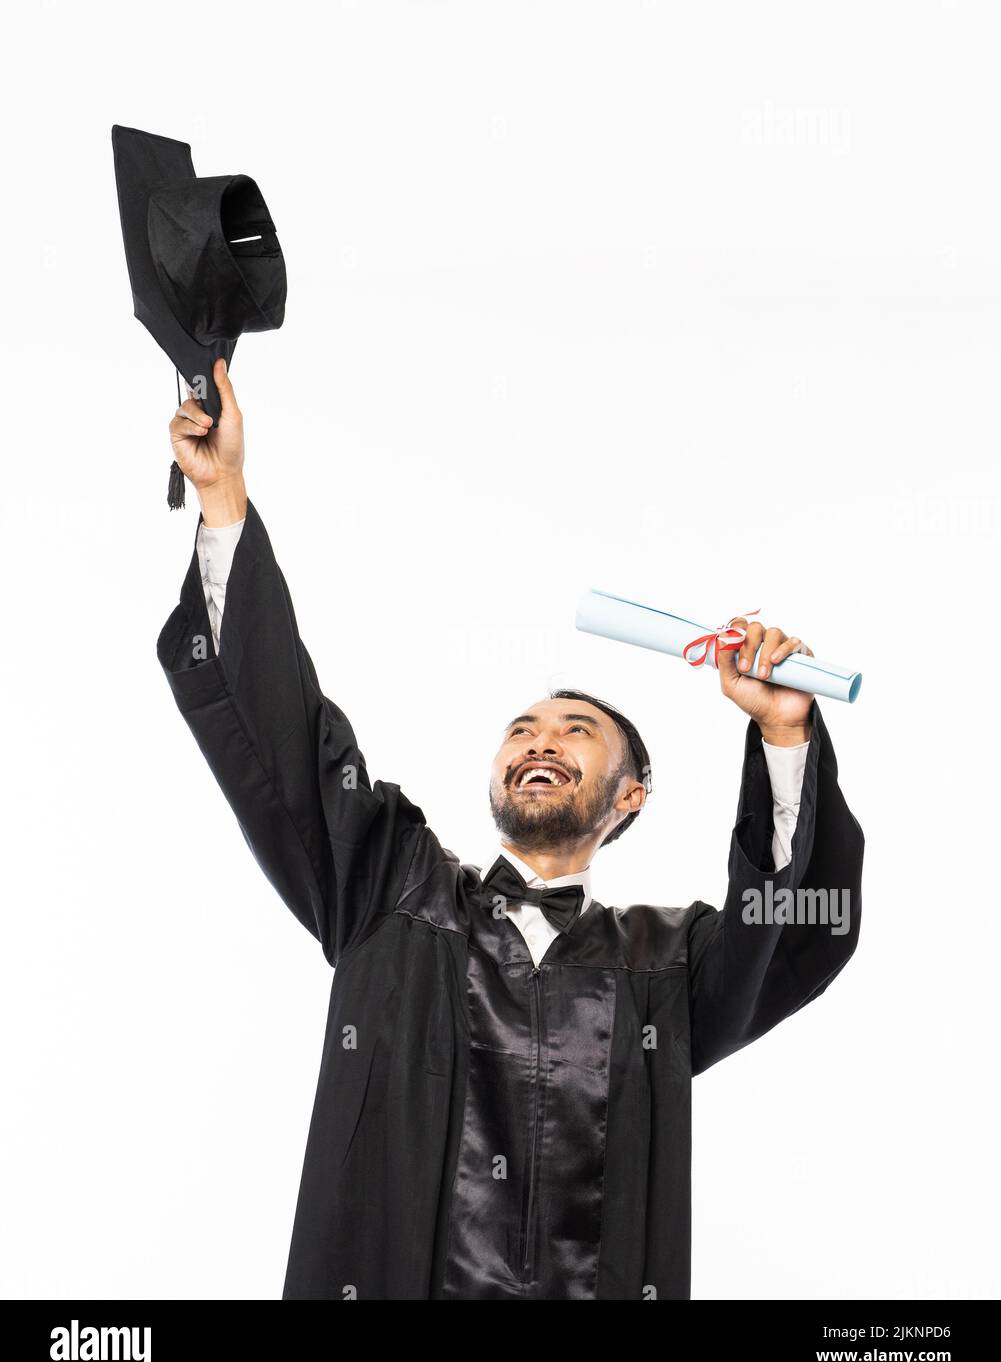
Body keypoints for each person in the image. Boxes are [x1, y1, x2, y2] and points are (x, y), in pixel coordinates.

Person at [158, 358, 864, 1300]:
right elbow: (288, 736)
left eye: (578, 734)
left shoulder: (666, 969)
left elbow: (801, 924)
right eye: (522, 731)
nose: (541, 743)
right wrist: (225, 501)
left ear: (629, 798)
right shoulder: (388, 892)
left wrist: (782, 730)